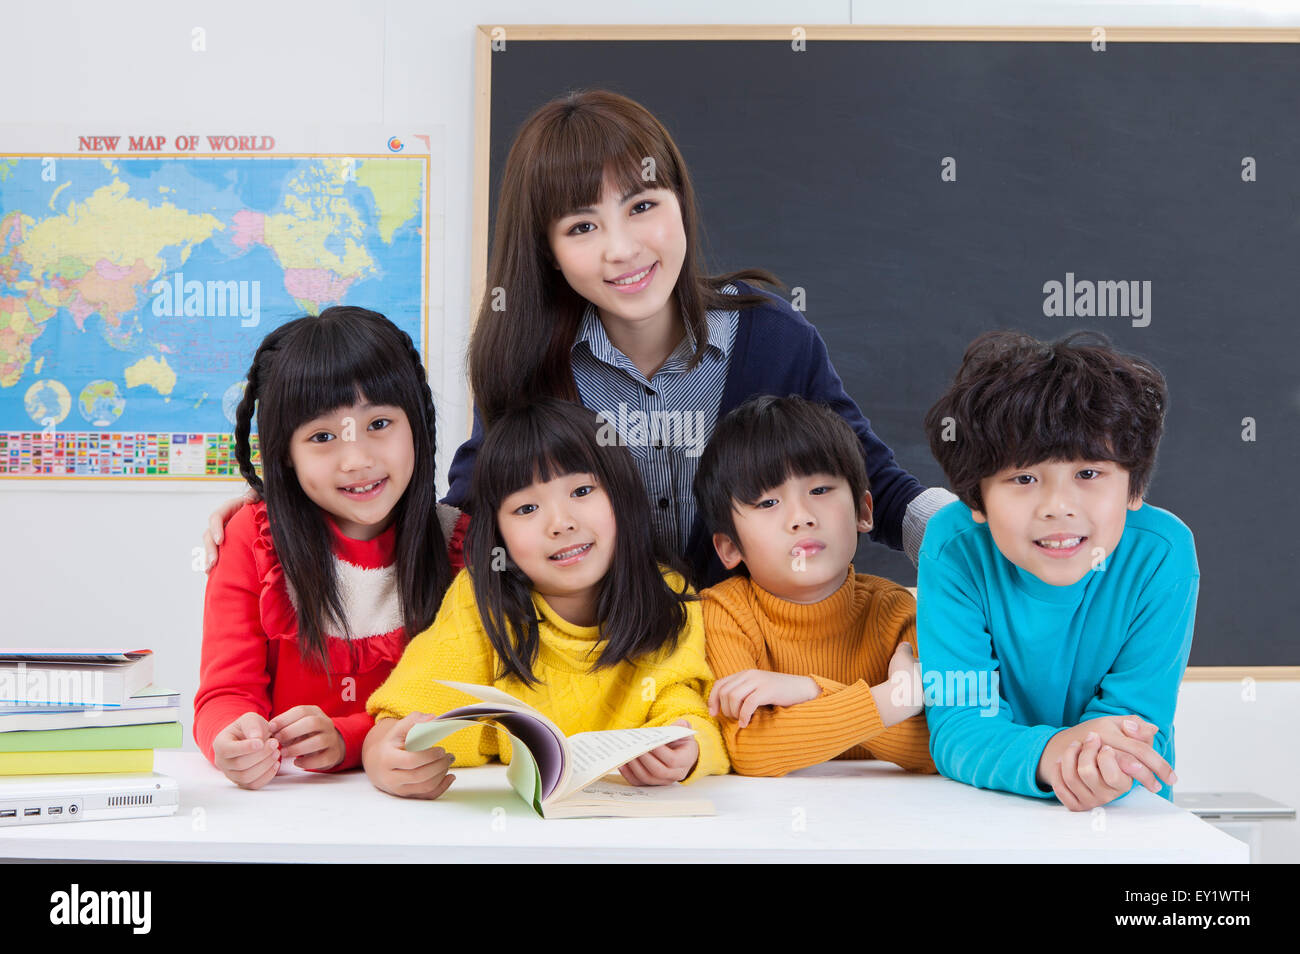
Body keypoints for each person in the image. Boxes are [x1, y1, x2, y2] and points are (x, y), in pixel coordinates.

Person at [198, 89, 955, 587]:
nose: (623, 249)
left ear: (680, 203)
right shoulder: (528, 361)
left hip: (744, 658)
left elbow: (867, 482)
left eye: (643, 206)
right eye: (583, 226)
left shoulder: (772, 340)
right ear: (548, 249)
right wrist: (282, 513)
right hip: (595, 666)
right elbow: (473, 505)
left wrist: (976, 531)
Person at [361, 399, 729, 799]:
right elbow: (405, 711)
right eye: (527, 508)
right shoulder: (480, 598)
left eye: (582, 490)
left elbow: (684, 706)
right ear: (498, 533)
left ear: (621, 496)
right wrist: (383, 754)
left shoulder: (668, 595)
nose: (561, 523)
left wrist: (686, 751)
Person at [917, 330, 1197, 810]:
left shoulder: (1162, 555)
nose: (1058, 507)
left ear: (1133, 489)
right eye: (1023, 478)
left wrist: (1097, 763)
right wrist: (1053, 754)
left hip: (1129, 811)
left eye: (1089, 474)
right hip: (990, 808)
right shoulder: (954, 547)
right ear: (976, 499)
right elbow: (961, 726)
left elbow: (1133, 727)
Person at [194, 307, 459, 789]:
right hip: (288, 811)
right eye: (321, 436)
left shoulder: (460, 545)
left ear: (417, 426)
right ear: (285, 456)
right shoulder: (251, 543)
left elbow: (462, 701)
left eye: (379, 423)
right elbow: (226, 693)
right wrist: (231, 739)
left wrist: (349, 737)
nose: (356, 459)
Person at [695, 395, 935, 777]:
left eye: (820, 491)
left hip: (889, 825)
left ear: (863, 511)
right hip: (767, 828)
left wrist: (808, 690)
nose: (801, 517)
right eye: (768, 502)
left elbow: (940, 745)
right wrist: (892, 699)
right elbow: (752, 749)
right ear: (729, 547)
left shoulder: (896, 611)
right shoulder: (722, 615)